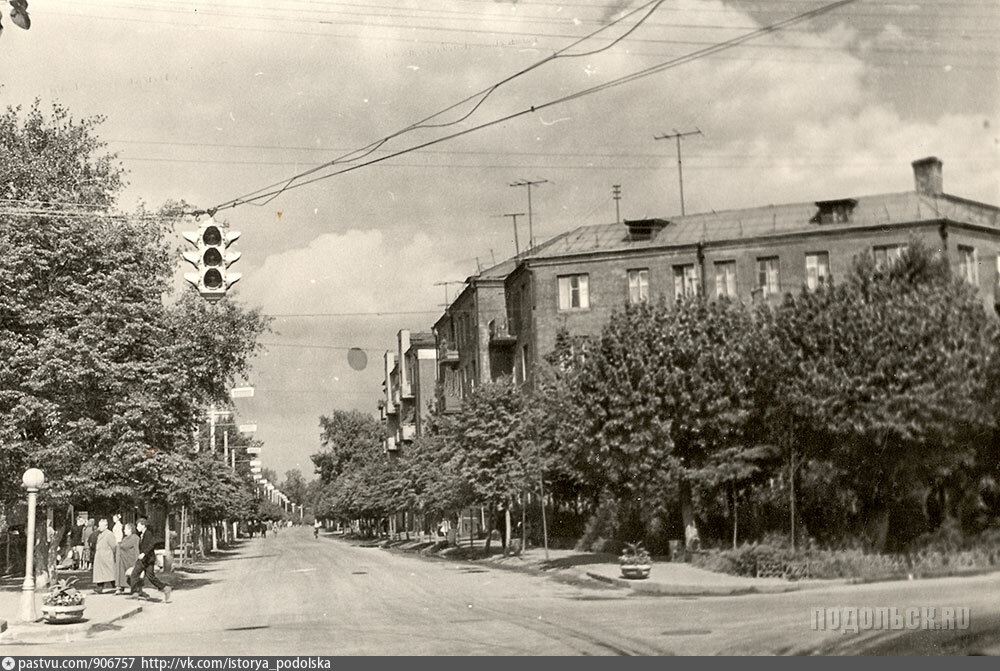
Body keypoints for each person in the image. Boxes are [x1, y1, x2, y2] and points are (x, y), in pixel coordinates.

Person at [130, 518, 171, 603]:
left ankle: (165, 588)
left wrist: (144, 553)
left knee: (149, 577)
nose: (137, 527)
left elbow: (151, 545)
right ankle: (135, 592)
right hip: (144, 560)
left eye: (138, 525)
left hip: (148, 559)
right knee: (136, 574)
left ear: (143, 525)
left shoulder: (148, 534)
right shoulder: (142, 534)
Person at [91, 518, 117, 594]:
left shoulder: (109, 534)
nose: (99, 527)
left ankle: (116, 585)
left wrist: (113, 554)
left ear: (106, 526)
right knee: (100, 573)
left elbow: (113, 546)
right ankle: (99, 587)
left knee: (110, 572)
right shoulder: (99, 534)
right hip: (100, 557)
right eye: (99, 526)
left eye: (101, 526)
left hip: (106, 556)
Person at [115, 523, 140, 595]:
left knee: (131, 574)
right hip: (123, 559)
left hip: (130, 560)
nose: (124, 530)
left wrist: (137, 561)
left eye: (125, 529)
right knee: (121, 573)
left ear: (130, 529)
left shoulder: (135, 538)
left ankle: (135, 589)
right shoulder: (125, 538)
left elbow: (136, 550)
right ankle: (120, 587)